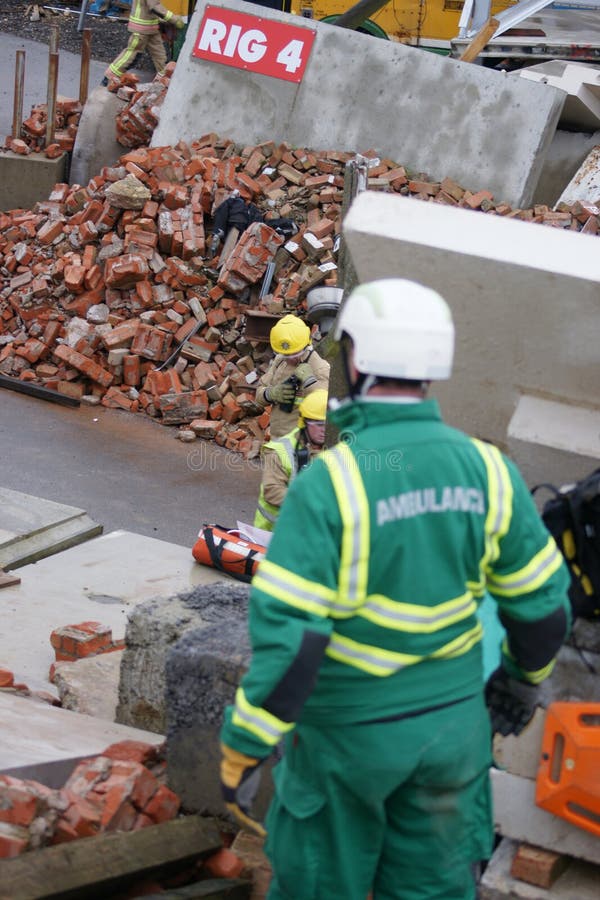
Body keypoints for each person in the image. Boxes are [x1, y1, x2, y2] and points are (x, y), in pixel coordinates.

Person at [219, 278, 571, 900]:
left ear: (353, 360)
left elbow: (295, 651)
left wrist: (243, 747)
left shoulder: (331, 486)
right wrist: (518, 681)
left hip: (347, 744)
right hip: (453, 738)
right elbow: (544, 611)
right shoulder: (489, 470)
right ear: (435, 368)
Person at [254, 390, 328, 532]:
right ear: (303, 422)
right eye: (318, 424)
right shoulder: (279, 451)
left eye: (327, 424)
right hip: (273, 534)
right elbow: (272, 492)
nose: (323, 430)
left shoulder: (333, 447)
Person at [255, 314, 330, 439]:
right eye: (285, 354)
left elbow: (327, 407)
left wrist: (309, 381)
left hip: (302, 445)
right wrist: (270, 393)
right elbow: (258, 395)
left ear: (306, 345)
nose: (290, 359)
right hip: (277, 439)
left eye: (294, 353)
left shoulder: (319, 367)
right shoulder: (280, 361)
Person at [103, 0, 185, 86]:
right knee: (133, 53)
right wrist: (174, 19)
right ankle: (111, 74)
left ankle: (163, 77)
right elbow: (154, 6)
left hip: (151, 26)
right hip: (141, 27)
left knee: (159, 53)